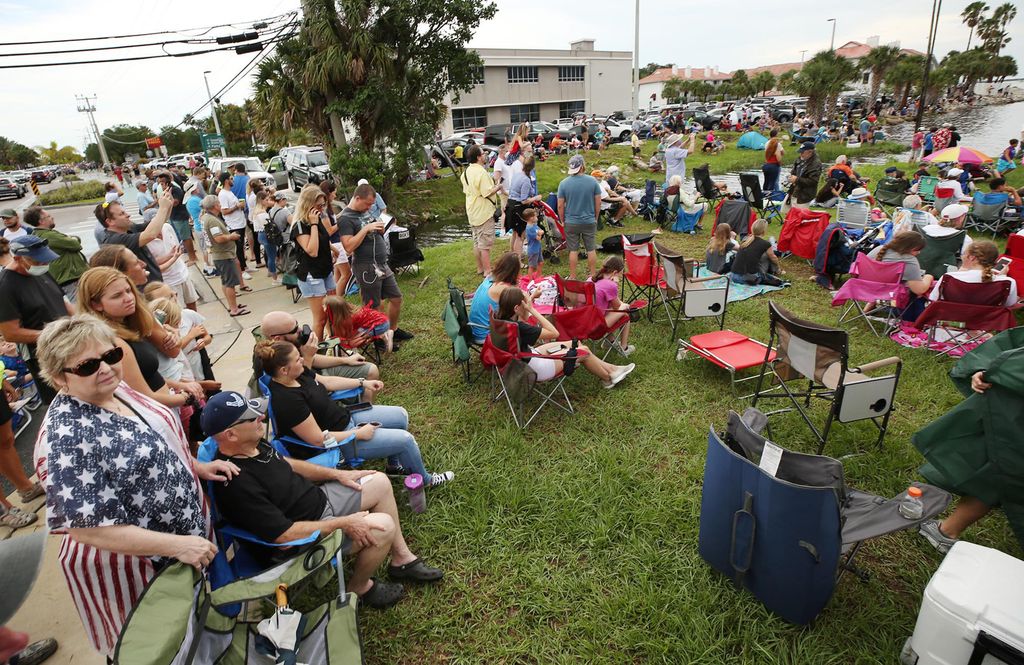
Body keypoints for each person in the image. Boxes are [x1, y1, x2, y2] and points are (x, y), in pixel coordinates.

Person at [33, 314, 234, 659]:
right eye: (86, 365)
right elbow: (89, 529)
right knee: (166, 646)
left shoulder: (114, 386)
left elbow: (157, 437)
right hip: (141, 569)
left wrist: (195, 465)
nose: (106, 367)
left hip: (184, 543)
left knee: (199, 626)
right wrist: (178, 546)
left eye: (111, 355)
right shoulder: (65, 438)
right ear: (57, 378)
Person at [203, 390, 443, 607]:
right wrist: (343, 523)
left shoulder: (253, 444)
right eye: (251, 417)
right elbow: (283, 535)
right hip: (303, 539)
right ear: (231, 434)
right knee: (383, 527)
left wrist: (337, 474)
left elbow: (287, 463)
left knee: (378, 481)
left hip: (319, 500)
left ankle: (401, 559)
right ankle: (358, 588)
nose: (261, 418)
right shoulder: (235, 483)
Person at [254, 339, 454, 484]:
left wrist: (363, 382)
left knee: (400, 415)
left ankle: (394, 467)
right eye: (297, 359)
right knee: (405, 440)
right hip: (340, 444)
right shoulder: (287, 401)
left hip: (347, 418)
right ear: (283, 370)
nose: (303, 360)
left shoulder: (298, 374)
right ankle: (426, 480)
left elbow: (327, 382)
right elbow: (317, 439)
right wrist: (358, 433)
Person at [77, 267, 202, 413]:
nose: (128, 298)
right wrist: (186, 398)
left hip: (166, 406)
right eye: (117, 295)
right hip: (156, 411)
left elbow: (143, 377)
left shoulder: (129, 326)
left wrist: (180, 385)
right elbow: (142, 396)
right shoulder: (113, 342)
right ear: (95, 304)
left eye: (129, 291)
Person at [495, 287, 635, 388]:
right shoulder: (520, 328)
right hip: (535, 368)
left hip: (521, 361)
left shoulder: (500, 320)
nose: (528, 305)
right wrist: (532, 310)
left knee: (573, 343)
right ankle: (608, 379)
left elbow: (522, 314)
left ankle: (613, 369)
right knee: (583, 351)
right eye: (525, 304)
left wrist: (528, 300)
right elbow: (554, 333)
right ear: (516, 308)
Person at [0, 236, 73, 404]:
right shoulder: (5, 286)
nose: (43, 264)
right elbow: (11, 333)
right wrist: (54, 334)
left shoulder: (42, 271)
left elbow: (63, 302)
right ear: (18, 258)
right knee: (63, 400)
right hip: (43, 354)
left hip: (68, 343)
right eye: (38, 261)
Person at [338, 183, 412, 342]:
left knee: (396, 297)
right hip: (366, 267)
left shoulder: (365, 212)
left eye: (372, 204)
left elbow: (373, 228)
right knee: (374, 306)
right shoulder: (345, 218)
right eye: (368, 204)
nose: (370, 207)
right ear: (357, 198)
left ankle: (393, 329)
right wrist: (366, 229)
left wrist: (381, 227)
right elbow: (349, 246)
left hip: (382, 263)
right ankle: (377, 337)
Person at [95, 189, 170, 284]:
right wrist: (163, 208)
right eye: (122, 214)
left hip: (154, 283)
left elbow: (158, 223)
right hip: (144, 290)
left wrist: (168, 203)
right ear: (110, 222)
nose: (128, 215)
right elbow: (151, 234)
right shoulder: (114, 241)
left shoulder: (128, 228)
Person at [23, 206, 87, 303]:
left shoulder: (36, 234)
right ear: (41, 221)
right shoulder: (48, 235)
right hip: (70, 278)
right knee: (81, 306)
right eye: (48, 216)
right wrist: (73, 239)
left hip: (61, 279)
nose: (52, 217)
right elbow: (75, 244)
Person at [867, 231, 935, 320]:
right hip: (893, 298)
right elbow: (919, 290)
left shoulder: (878, 249)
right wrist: (928, 277)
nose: (919, 253)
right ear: (911, 248)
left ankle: (871, 304)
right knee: (924, 289)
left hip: (868, 291)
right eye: (918, 250)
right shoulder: (909, 261)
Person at [201, 194, 250, 317]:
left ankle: (231, 305)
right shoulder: (211, 220)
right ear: (215, 206)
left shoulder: (207, 217)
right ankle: (234, 309)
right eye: (218, 203)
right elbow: (218, 238)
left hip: (221, 255)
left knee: (225, 282)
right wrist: (231, 236)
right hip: (223, 255)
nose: (220, 204)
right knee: (229, 283)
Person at [928, 240, 1017, 306]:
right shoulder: (1007, 282)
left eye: (964, 254)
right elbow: (1009, 304)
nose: (962, 257)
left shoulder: (949, 277)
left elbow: (933, 299)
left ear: (972, 258)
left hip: (950, 323)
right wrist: (1003, 276)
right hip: (984, 324)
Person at [557, 155, 602, 280]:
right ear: (582, 166)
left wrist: (562, 220)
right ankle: (593, 275)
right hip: (589, 220)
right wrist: (596, 217)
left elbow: (560, 205)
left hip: (571, 222)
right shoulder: (593, 181)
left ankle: (572, 276)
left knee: (573, 250)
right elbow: (598, 202)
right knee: (591, 249)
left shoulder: (563, 183)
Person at [468, 252, 525, 344]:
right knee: (518, 312)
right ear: (515, 271)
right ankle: (522, 342)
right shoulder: (503, 288)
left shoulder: (490, 278)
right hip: (484, 335)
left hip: (474, 328)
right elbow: (522, 305)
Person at [462, 145, 501, 278]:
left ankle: (480, 268)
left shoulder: (466, 172)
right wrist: (498, 186)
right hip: (483, 212)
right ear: (478, 157)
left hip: (472, 210)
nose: (485, 155)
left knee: (477, 241)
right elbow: (486, 192)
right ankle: (487, 271)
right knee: (484, 244)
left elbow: (468, 190)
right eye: (483, 153)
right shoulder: (481, 173)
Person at [591, 256, 635, 356]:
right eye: (620, 274)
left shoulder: (591, 279)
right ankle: (624, 348)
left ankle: (609, 341)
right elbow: (617, 307)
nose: (620, 277)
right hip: (597, 326)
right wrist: (625, 305)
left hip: (586, 320)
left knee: (609, 309)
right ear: (615, 273)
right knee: (625, 313)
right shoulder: (610, 285)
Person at [324, 294, 394, 354]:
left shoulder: (348, 319)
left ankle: (352, 353)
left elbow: (347, 336)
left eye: (325, 307)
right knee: (353, 335)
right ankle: (383, 334)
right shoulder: (347, 312)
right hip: (381, 321)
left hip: (380, 326)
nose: (323, 308)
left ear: (334, 311)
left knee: (353, 340)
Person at [729, 219, 787, 286]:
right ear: (764, 230)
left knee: (765, 255)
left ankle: (775, 272)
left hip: (733, 276)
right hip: (746, 278)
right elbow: (773, 258)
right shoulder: (765, 244)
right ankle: (777, 271)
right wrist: (778, 267)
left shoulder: (746, 240)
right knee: (769, 256)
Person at [156, 171, 197, 265]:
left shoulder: (175, 190)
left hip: (180, 216)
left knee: (186, 237)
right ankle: (192, 257)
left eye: (161, 183)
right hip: (173, 217)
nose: (160, 185)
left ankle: (193, 258)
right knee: (183, 238)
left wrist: (165, 199)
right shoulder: (166, 191)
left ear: (167, 183)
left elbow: (175, 202)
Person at [217, 172, 252, 281]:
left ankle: (244, 266)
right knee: (238, 248)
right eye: (231, 178)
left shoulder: (229, 192)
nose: (233, 180)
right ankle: (241, 270)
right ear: (227, 180)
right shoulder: (223, 194)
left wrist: (240, 207)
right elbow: (224, 211)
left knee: (241, 247)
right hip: (234, 225)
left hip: (239, 222)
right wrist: (237, 207)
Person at [507, 154, 542, 255]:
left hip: (510, 205)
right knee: (520, 236)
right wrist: (536, 198)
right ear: (532, 167)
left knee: (514, 233)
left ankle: (512, 255)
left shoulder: (517, 174)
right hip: (518, 208)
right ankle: (518, 260)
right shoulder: (526, 180)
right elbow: (523, 200)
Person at [785, 142, 822, 211]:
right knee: (788, 213)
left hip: (804, 195)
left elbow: (813, 181)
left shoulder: (816, 164)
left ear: (810, 152)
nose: (800, 154)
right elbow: (794, 171)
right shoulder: (800, 159)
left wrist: (796, 180)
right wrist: (791, 177)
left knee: (800, 215)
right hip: (794, 191)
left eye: (802, 152)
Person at [250, 190, 277, 283]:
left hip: (260, 235)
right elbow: (268, 225)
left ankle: (270, 271)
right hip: (266, 235)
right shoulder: (262, 213)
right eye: (266, 199)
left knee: (268, 254)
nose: (268, 201)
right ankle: (275, 278)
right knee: (272, 256)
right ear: (261, 200)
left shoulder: (256, 211)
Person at [523, 208, 544, 280]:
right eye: (535, 216)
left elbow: (540, 231)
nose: (537, 217)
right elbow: (538, 237)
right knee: (532, 267)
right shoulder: (529, 229)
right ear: (531, 218)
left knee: (540, 263)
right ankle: (530, 281)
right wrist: (540, 233)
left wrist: (540, 233)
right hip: (533, 250)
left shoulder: (534, 225)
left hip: (538, 248)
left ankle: (539, 277)